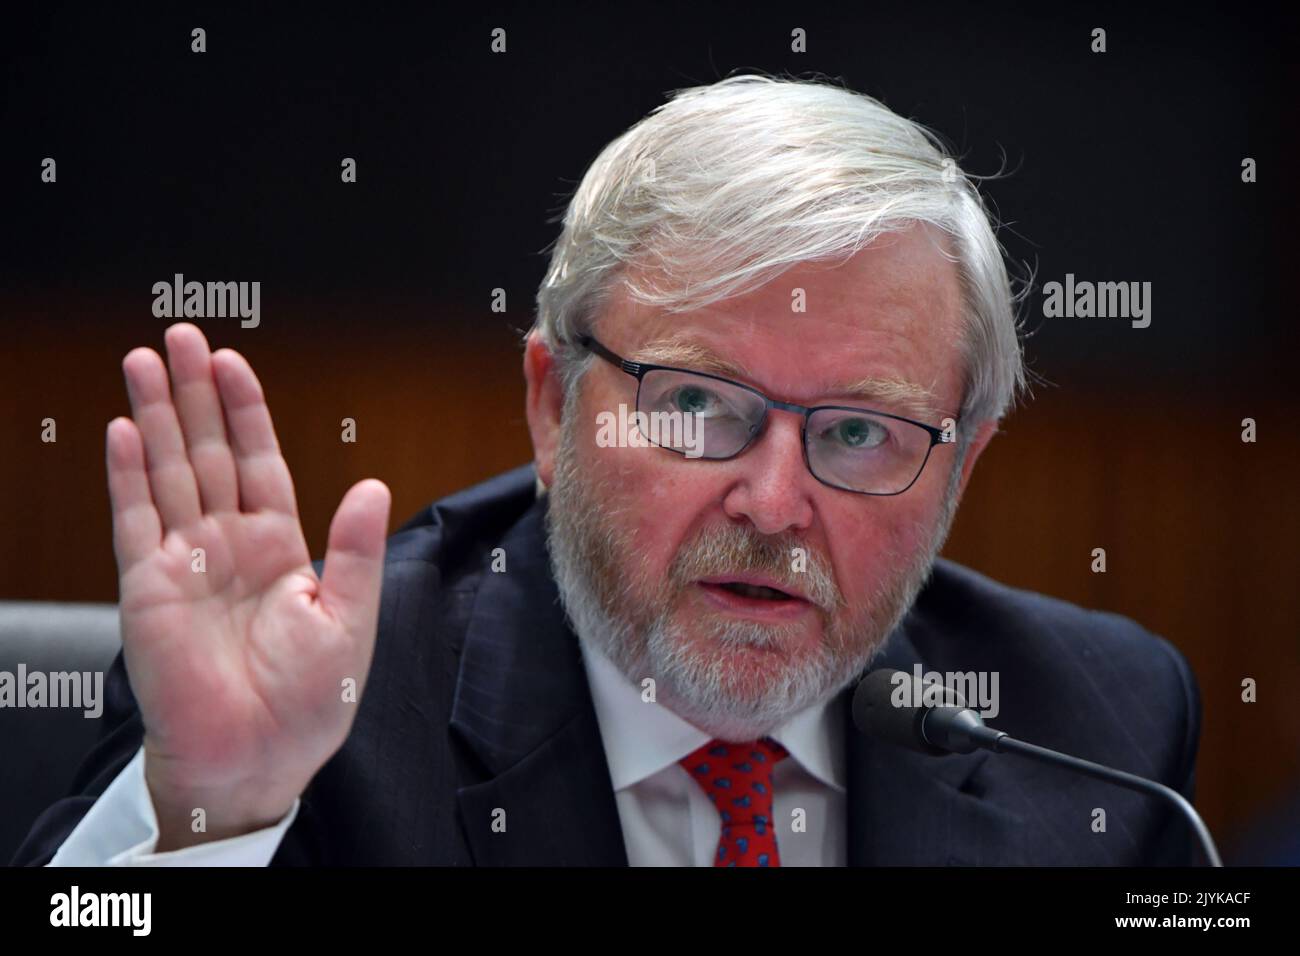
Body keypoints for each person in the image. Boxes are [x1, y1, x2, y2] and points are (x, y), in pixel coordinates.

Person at [14, 75, 1201, 867]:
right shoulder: (334, 711)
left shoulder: (1096, 726)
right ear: (550, 403)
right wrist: (208, 818)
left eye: (857, 432)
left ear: (961, 460)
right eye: (695, 405)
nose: (776, 503)